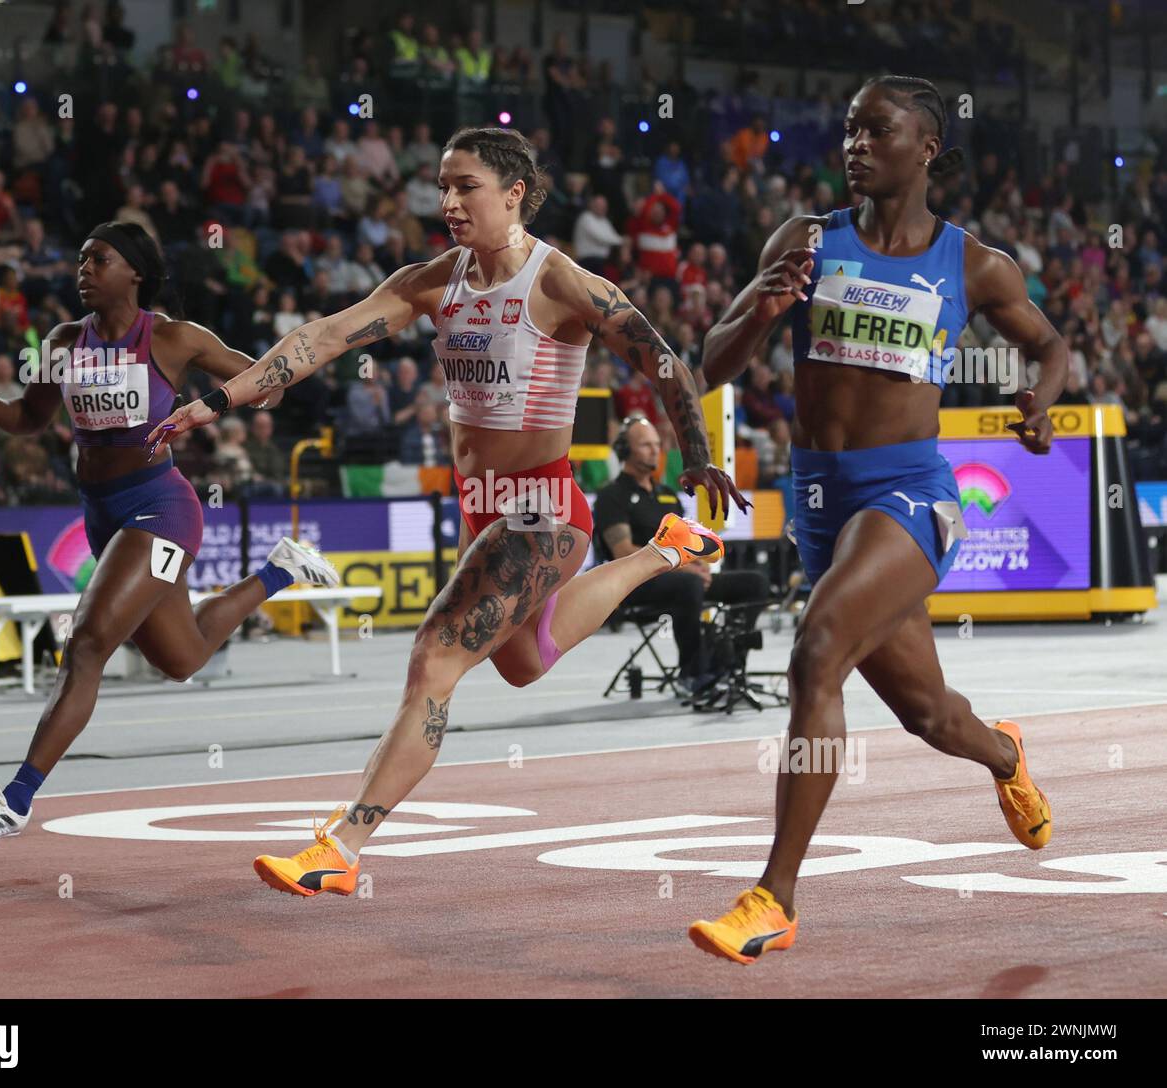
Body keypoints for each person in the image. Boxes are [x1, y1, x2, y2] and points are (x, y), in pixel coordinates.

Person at [147, 126, 743, 897]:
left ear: (514, 194)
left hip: (541, 513)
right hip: (480, 511)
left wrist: (693, 450)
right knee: (525, 664)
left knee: (434, 658)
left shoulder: (559, 284)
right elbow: (324, 335)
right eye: (441, 186)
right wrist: (218, 400)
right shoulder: (434, 280)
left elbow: (660, 356)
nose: (448, 201)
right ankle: (665, 551)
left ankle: (342, 843)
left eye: (465, 186)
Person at [693, 75, 1065, 964]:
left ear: (927, 148)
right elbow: (709, 362)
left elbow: (1047, 346)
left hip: (912, 495)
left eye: (876, 130)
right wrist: (763, 311)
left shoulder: (973, 263)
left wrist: (1039, 402)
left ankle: (773, 897)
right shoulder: (807, 241)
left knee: (816, 649)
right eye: (850, 131)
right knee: (931, 716)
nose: (855, 145)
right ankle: (1005, 755)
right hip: (820, 502)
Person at [0, 221, 339, 847]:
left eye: (97, 259)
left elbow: (267, 382)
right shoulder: (61, 341)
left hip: (161, 507)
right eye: (79, 259)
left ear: (134, 272)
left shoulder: (175, 338)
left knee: (87, 643)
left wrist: (226, 400)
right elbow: (28, 417)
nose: (83, 269)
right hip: (102, 514)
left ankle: (15, 801)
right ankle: (282, 570)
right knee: (181, 659)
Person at [593, 414, 767, 698]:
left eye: (656, 444)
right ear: (625, 450)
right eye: (645, 445)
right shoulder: (612, 495)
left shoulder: (666, 495)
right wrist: (684, 570)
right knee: (689, 585)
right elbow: (623, 552)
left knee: (755, 583)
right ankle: (693, 672)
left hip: (681, 575)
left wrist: (698, 564)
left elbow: (689, 542)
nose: (654, 450)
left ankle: (728, 666)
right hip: (635, 583)